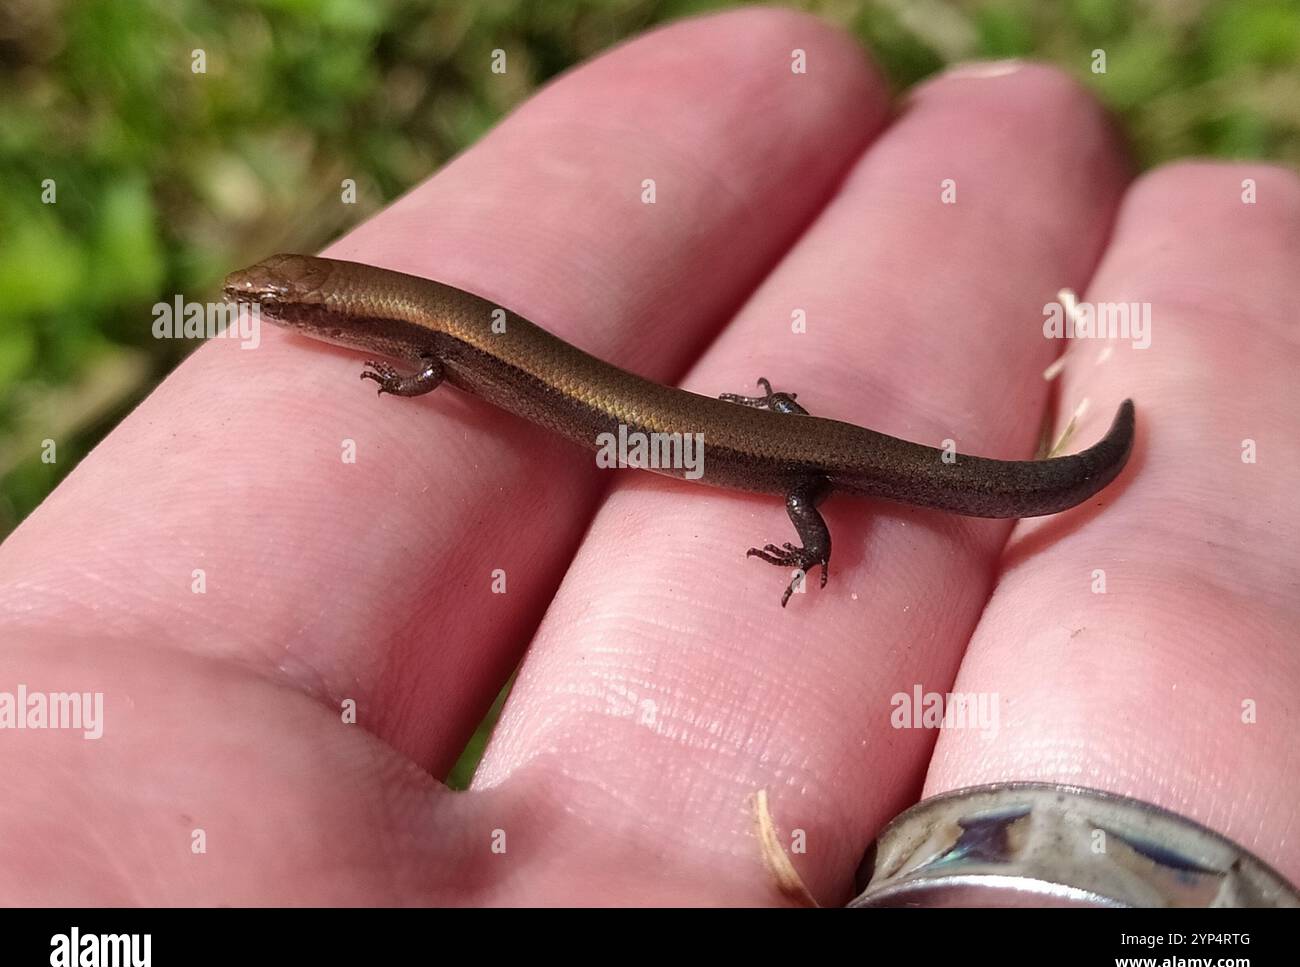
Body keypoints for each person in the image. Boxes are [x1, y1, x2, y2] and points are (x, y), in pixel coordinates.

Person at [1, 8, 1296, 905]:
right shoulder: (387, 314)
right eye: (280, 303)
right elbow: (447, 349)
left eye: (284, 303)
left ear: (328, 304)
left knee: (818, 477)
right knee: (800, 458)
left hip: (763, 454)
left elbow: (441, 357)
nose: (270, 310)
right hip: (742, 437)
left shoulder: (408, 337)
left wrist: (808, 534)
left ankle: (892, 506)